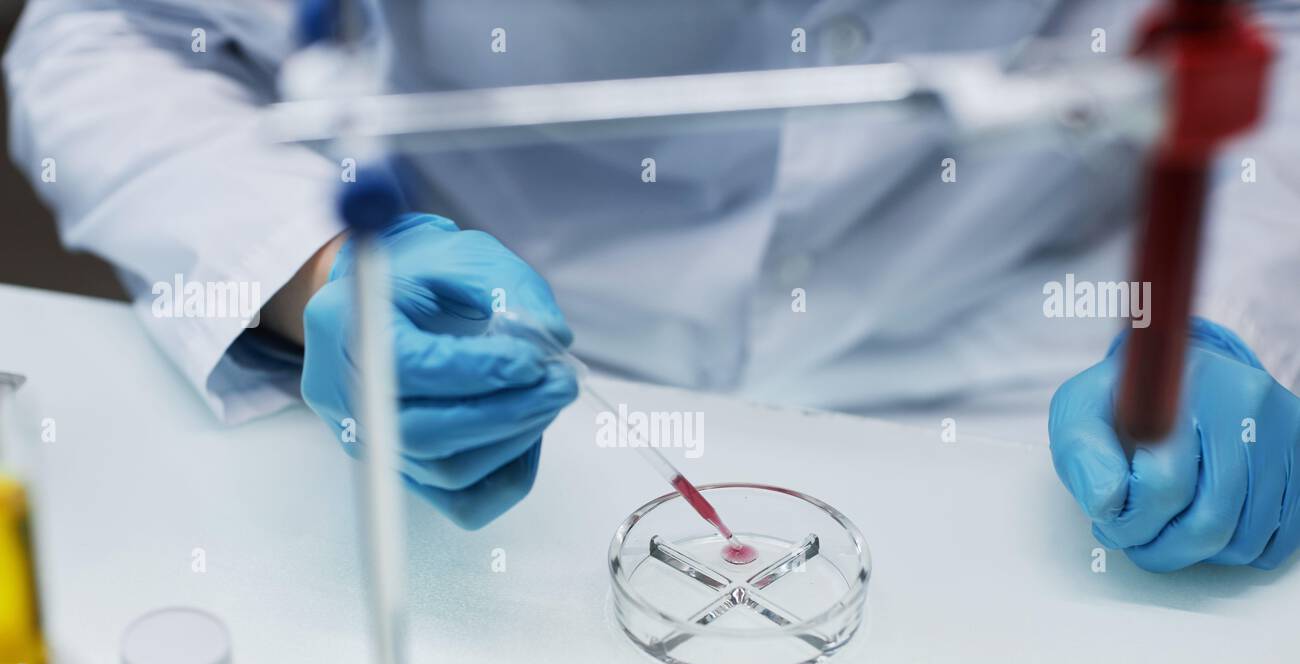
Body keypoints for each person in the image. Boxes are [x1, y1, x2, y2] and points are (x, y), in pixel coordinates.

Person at [5, 0, 1300, 569]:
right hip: (511, 378)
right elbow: (111, 30)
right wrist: (316, 270)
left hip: (1036, 381)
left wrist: (1223, 318)